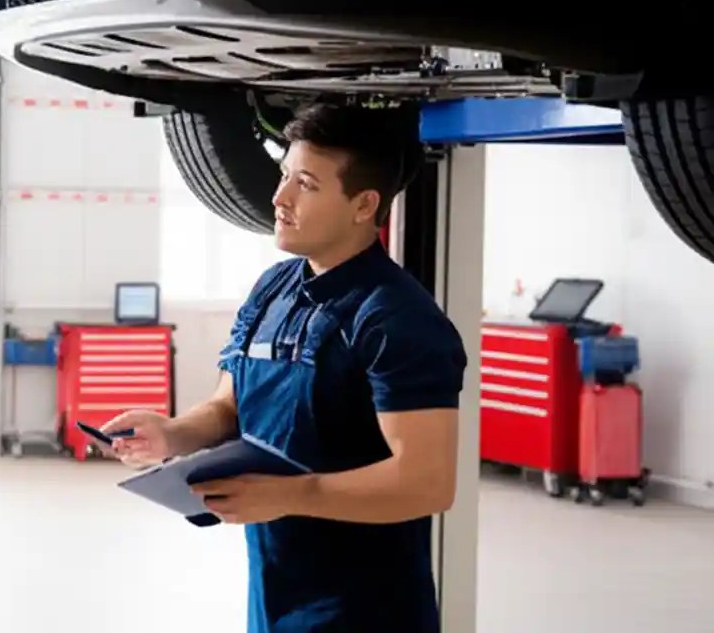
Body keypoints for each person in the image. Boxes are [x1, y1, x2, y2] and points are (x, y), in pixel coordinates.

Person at [103, 103, 467, 632]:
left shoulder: (397, 319)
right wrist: (173, 434)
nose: (279, 198)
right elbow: (229, 405)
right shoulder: (274, 288)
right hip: (275, 597)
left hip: (367, 611)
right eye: (282, 176)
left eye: (306, 184)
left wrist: (293, 495)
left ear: (364, 204)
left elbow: (427, 482)